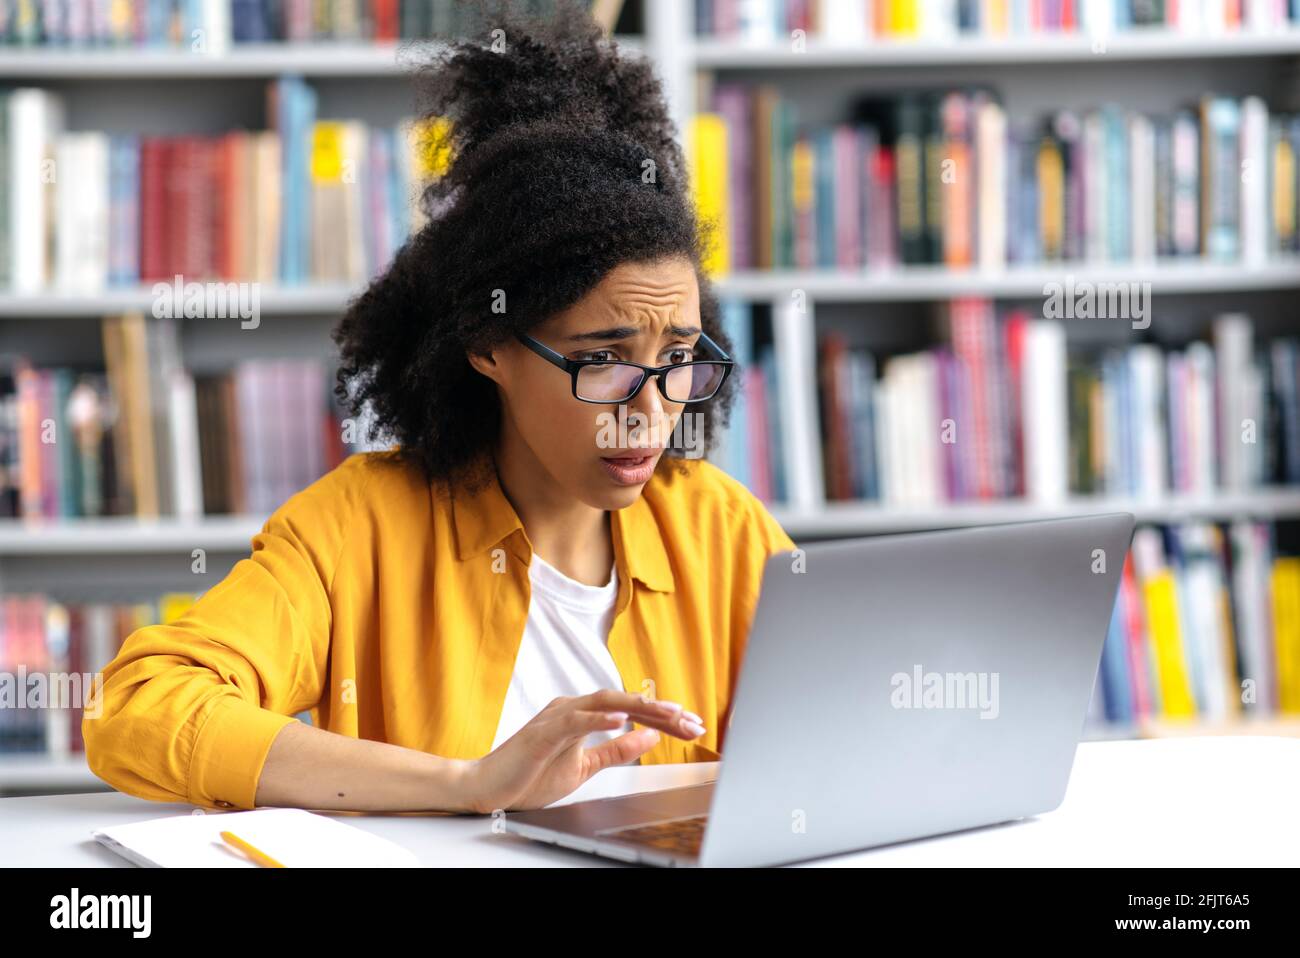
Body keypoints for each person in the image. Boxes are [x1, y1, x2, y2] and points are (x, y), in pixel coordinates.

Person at [83, 0, 794, 815]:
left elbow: (840, 734)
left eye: (676, 360)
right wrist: (466, 784)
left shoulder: (723, 534)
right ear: (489, 347)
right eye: (602, 360)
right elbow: (135, 707)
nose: (651, 412)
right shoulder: (361, 527)